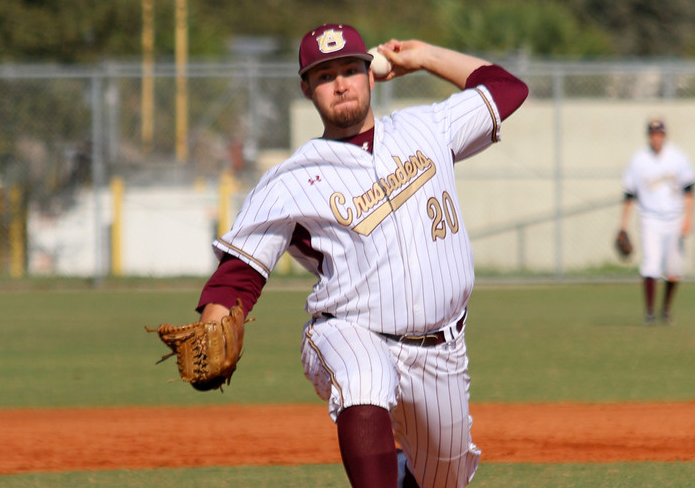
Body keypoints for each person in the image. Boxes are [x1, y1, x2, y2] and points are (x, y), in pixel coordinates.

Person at [195, 23, 528, 488]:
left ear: (371, 75)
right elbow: (240, 272)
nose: (340, 83)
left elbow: (507, 89)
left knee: (443, 478)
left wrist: (424, 56)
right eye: (325, 74)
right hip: (351, 328)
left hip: (442, 349)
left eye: (350, 69)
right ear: (307, 88)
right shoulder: (292, 179)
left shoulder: (427, 128)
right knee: (363, 380)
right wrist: (214, 320)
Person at [619, 119, 695, 326]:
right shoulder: (638, 160)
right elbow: (629, 194)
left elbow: (689, 190)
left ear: (664, 136)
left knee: (674, 269)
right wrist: (623, 225)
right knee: (651, 266)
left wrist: (688, 218)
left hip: (675, 217)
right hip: (649, 217)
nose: (656, 138)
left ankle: (666, 309)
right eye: (653, 134)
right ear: (648, 136)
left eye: (659, 134)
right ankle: (650, 312)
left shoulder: (678, 158)